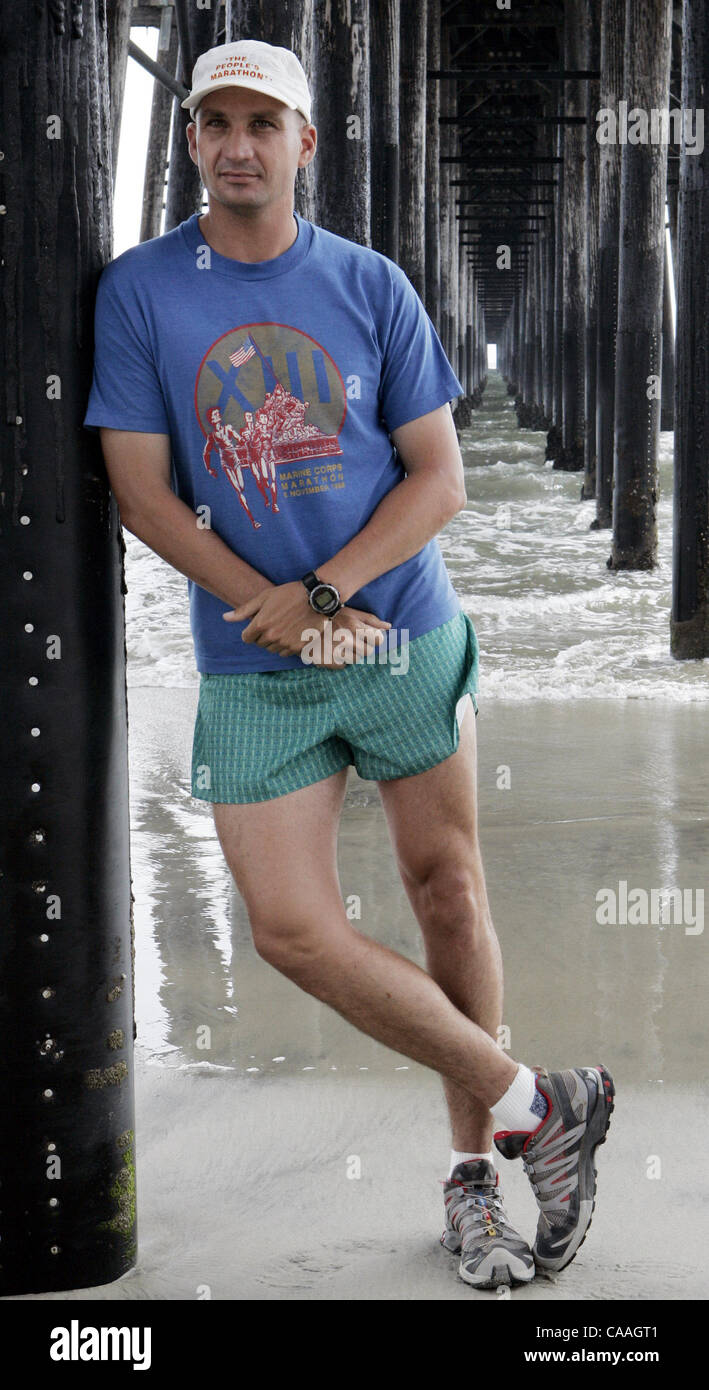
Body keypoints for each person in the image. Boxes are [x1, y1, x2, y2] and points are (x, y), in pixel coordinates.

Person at [83, 38, 614, 1290]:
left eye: (263, 123)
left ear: (305, 144)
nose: (236, 143)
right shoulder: (143, 290)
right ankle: (540, 1103)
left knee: (444, 890)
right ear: (194, 137)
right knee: (289, 930)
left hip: (397, 633)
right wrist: (275, 609)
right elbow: (142, 492)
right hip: (256, 659)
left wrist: (327, 593)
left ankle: (474, 1176)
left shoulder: (370, 283)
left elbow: (441, 477)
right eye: (214, 119)